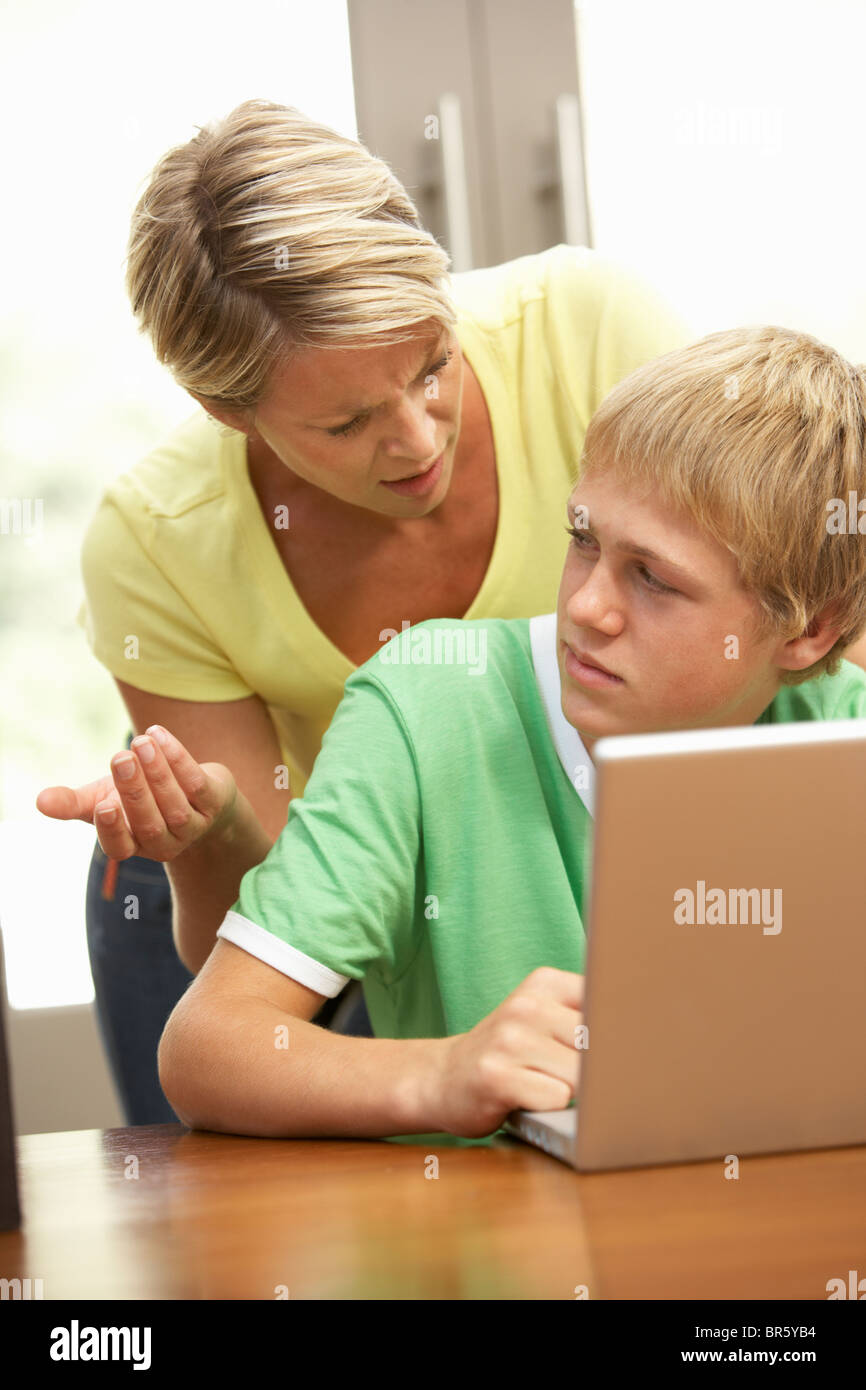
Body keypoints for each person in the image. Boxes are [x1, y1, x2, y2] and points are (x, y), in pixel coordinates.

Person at [43, 324, 866, 1144]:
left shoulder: (842, 727)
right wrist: (445, 1071)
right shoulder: (426, 706)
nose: (586, 607)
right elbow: (208, 1048)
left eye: (652, 578)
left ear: (811, 634)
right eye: (584, 539)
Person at [59, 97, 694, 1125]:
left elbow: (770, 610)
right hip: (339, 908)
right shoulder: (155, 541)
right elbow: (275, 935)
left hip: (579, 854)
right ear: (229, 412)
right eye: (347, 421)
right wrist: (212, 833)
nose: (414, 441)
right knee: (139, 891)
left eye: (432, 365)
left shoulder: (593, 332)